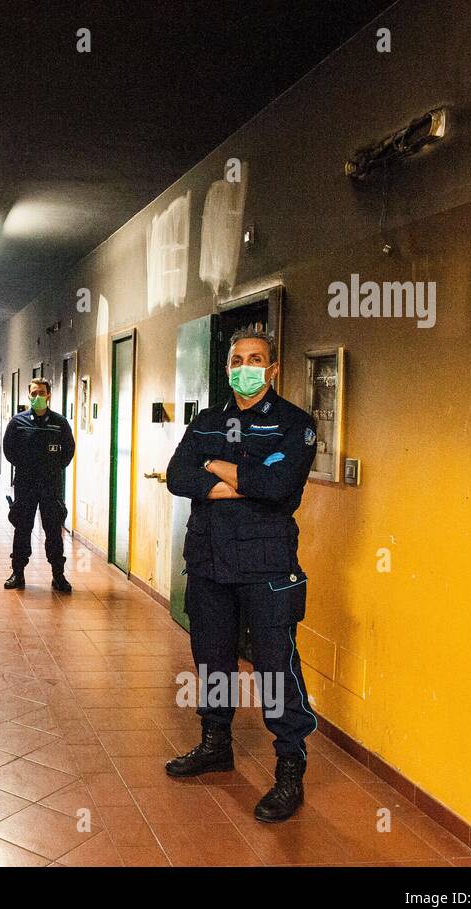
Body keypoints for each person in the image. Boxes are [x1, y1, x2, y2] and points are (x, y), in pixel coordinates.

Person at [164, 328, 319, 822]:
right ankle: (216, 743)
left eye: (256, 359)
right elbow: (178, 475)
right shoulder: (208, 420)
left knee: (275, 667)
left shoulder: (296, 424)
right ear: (227, 367)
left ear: (272, 369)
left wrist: (216, 469)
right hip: (209, 560)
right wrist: (233, 473)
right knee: (212, 659)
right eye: (237, 360)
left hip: (267, 565)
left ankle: (290, 767)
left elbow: (278, 487)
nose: (246, 367)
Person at [2, 377, 76, 593]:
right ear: (29, 395)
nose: (37, 397)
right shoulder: (18, 422)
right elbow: (8, 449)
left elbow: (68, 451)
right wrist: (25, 466)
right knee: (22, 527)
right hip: (25, 483)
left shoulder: (59, 423)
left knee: (53, 529)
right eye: (33, 393)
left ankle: (58, 575)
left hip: (51, 485)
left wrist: (52, 468)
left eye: (41, 393)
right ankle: (18, 572)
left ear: (49, 395)